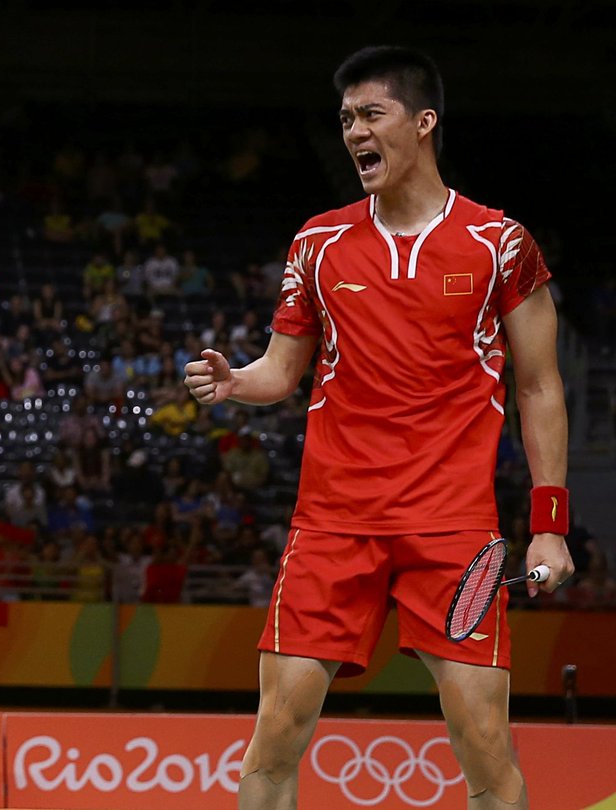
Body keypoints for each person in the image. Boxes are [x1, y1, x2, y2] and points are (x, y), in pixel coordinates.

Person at [183, 47, 572, 810]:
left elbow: (539, 386)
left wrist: (549, 525)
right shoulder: (318, 244)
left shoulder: (500, 244)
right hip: (334, 520)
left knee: (485, 746)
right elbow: (280, 371)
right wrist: (236, 383)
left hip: (451, 525)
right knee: (274, 737)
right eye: (345, 120)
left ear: (423, 123)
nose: (354, 133)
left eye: (371, 114)